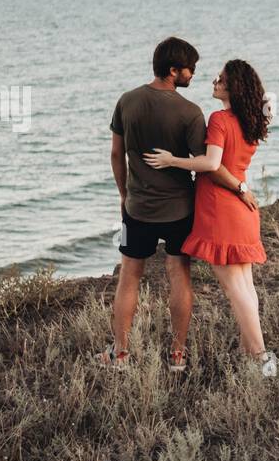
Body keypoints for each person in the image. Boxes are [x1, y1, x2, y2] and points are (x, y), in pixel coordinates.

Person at [104, 38, 256, 371]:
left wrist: (124, 195)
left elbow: (116, 155)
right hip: (180, 211)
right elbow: (208, 164)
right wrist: (240, 187)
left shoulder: (127, 101)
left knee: (129, 276)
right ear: (174, 71)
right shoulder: (190, 112)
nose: (195, 74)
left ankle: (120, 355)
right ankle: (177, 354)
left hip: (137, 210)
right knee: (179, 275)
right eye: (191, 69)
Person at [143, 58, 274, 376]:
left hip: (221, 210)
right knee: (246, 288)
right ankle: (251, 353)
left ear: (234, 87)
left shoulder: (219, 118)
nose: (214, 81)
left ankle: (262, 359)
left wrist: (172, 160)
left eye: (221, 78)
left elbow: (212, 163)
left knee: (236, 290)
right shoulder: (251, 121)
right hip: (242, 209)